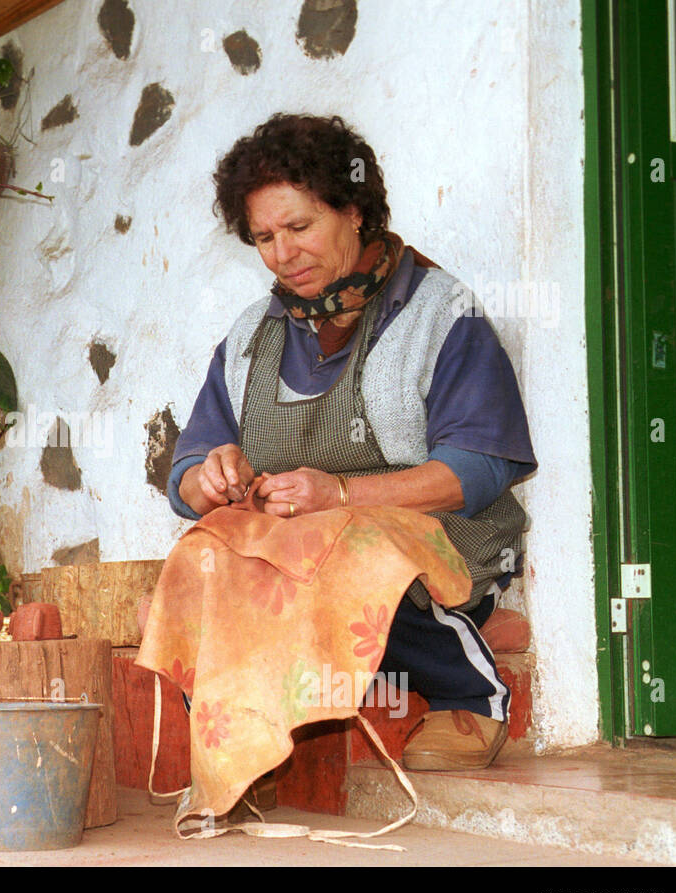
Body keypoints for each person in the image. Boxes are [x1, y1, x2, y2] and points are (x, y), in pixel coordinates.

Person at [168, 113, 536, 771]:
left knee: (347, 551)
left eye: (300, 227)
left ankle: (471, 697)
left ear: (355, 210)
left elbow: (478, 468)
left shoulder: (439, 313)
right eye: (264, 237)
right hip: (303, 559)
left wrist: (339, 495)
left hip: (442, 547)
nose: (283, 253)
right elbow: (189, 473)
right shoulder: (251, 336)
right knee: (209, 560)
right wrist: (210, 477)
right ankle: (238, 745)